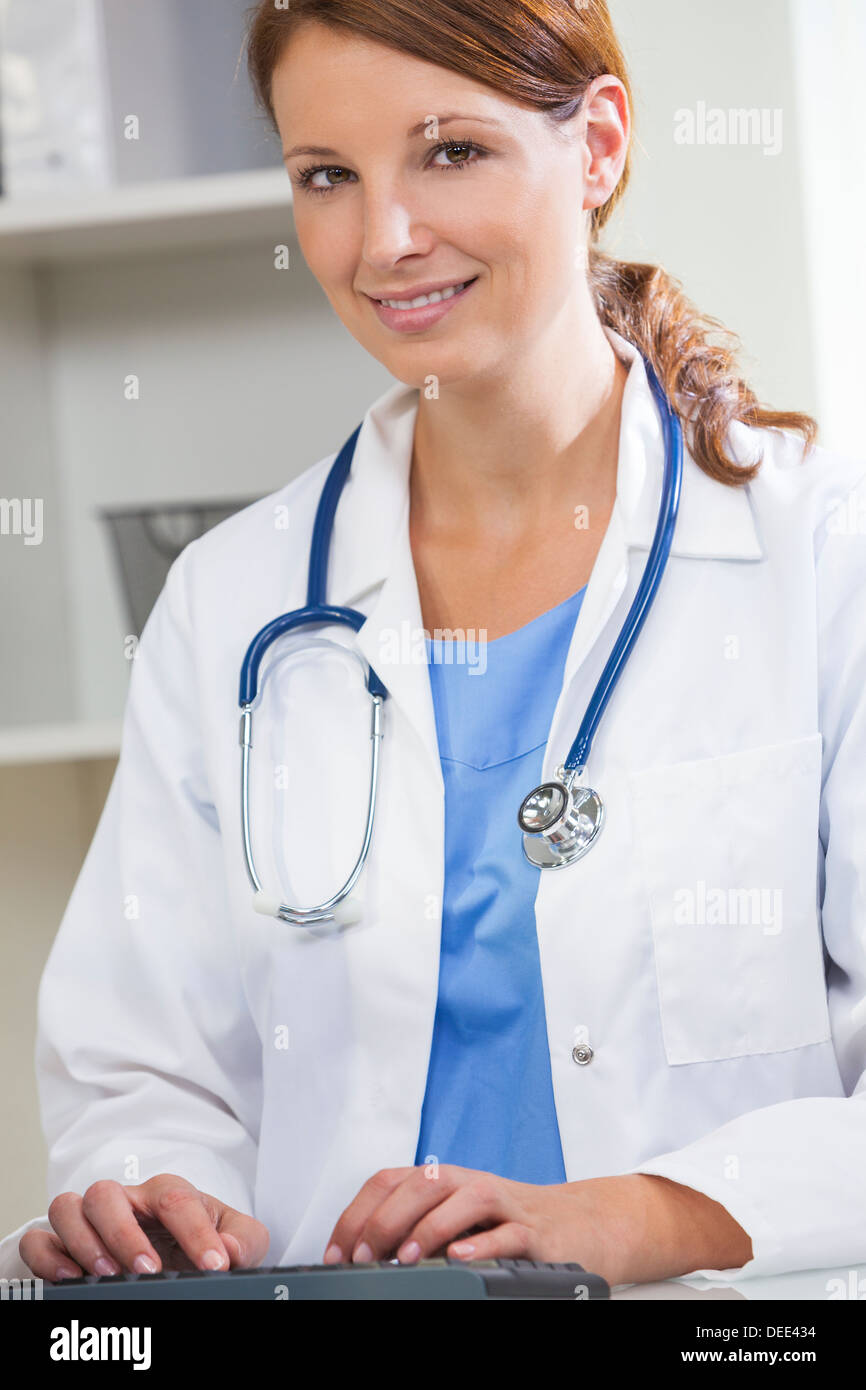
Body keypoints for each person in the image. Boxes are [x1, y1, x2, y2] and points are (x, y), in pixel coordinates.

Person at [7, 0, 866, 1288]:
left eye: (450, 151)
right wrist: (153, 1193)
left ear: (599, 146)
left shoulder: (821, 557)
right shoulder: (231, 602)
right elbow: (144, 1060)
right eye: (327, 177)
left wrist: (649, 1213)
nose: (386, 240)